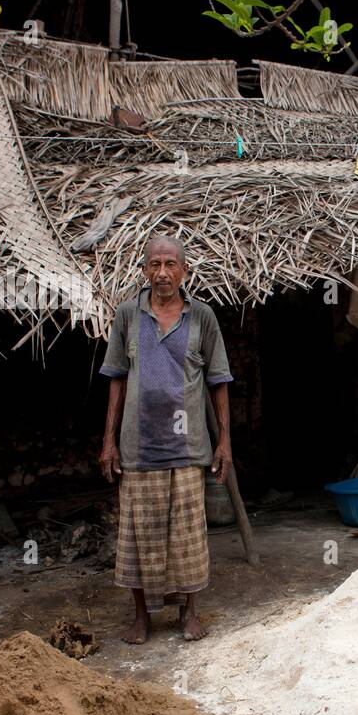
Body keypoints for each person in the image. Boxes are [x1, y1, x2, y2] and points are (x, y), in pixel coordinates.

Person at [97, 235, 233, 643]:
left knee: (188, 538)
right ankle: (142, 617)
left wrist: (224, 441)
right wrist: (109, 439)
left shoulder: (203, 317)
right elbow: (117, 378)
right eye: (154, 265)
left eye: (170, 264)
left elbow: (219, 380)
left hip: (189, 447)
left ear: (184, 271)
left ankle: (189, 613)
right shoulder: (126, 315)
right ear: (144, 271)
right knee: (140, 537)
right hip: (139, 447)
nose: (162, 273)